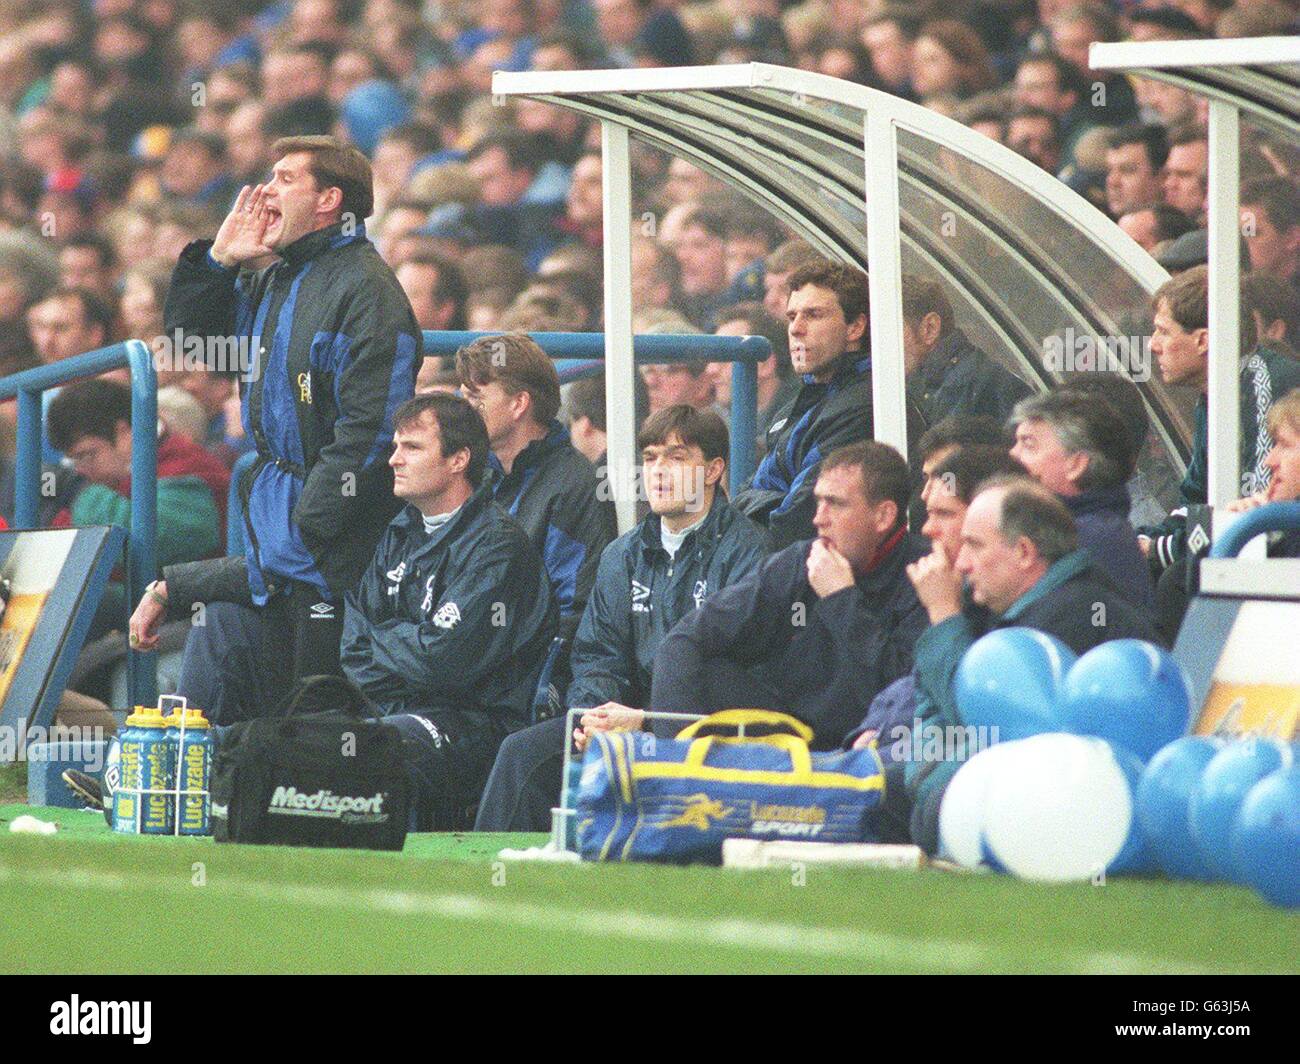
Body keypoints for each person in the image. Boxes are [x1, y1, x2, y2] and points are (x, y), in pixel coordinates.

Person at [129, 135, 421, 707]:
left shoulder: (367, 290)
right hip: (275, 515)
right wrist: (217, 263)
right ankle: (201, 776)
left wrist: (311, 527)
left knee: (309, 706)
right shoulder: (278, 276)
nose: (266, 191)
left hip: (332, 540)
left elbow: (370, 433)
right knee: (226, 637)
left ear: (329, 199)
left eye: (286, 179)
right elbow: (199, 347)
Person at [474, 405, 770, 831]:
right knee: (521, 754)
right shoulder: (623, 554)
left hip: (703, 733)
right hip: (623, 721)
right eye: (650, 458)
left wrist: (649, 721)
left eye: (677, 457)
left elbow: (742, 676)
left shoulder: (748, 552)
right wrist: (595, 717)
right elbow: (598, 654)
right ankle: (491, 880)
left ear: (713, 471)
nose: (659, 471)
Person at [904, 476, 1160, 853]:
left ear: (1024, 552)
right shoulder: (1013, 608)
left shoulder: (1071, 616)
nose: (961, 562)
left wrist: (943, 614)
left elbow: (978, 718)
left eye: (974, 545)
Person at [340, 393, 557, 830]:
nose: (394, 461)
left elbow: (444, 662)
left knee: (379, 746)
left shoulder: (497, 545)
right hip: (398, 709)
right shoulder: (398, 532)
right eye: (395, 447)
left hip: (482, 724)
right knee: (306, 740)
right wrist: (405, 648)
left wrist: (388, 639)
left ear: (459, 459)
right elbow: (353, 649)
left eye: (412, 448)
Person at [652, 441, 929, 748]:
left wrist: (841, 599)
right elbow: (685, 640)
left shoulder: (927, 575)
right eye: (818, 502)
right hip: (791, 738)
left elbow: (899, 694)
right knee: (701, 668)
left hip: (875, 750)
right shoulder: (800, 561)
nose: (818, 518)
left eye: (835, 504)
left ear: (883, 517)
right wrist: (678, 755)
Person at [1138, 266, 1300, 572]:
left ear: (1202, 341)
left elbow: (1258, 508)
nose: (1152, 344)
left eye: (1163, 331)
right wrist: (1150, 540)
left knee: (1176, 579)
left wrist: (1158, 549)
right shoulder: (1215, 394)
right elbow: (1198, 496)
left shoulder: (1259, 384)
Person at [456, 332, 616, 640]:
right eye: (464, 398)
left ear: (519, 405)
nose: (465, 411)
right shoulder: (473, 476)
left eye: (476, 399)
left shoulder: (573, 487)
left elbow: (573, 614)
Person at [48, 378, 229, 638]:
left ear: (125, 433)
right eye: (73, 460)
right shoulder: (109, 482)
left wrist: (81, 495)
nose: (80, 469)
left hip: (191, 623)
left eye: (87, 455)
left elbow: (149, 542)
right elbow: (63, 548)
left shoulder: (188, 466)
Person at [736, 259, 898, 548]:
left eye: (814, 314)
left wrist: (752, 512)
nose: (796, 329)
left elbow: (796, 520)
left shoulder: (866, 406)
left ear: (855, 326)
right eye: (791, 316)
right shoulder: (800, 405)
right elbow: (746, 495)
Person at [1009, 389, 1154, 611]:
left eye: (1028, 444)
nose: (1012, 455)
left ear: (1075, 464)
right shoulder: (1090, 530)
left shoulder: (1087, 543)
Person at [901, 274, 1031, 427]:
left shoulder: (975, 389)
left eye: (886, 330)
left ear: (930, 328)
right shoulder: (923, 383)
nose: (877, 347)